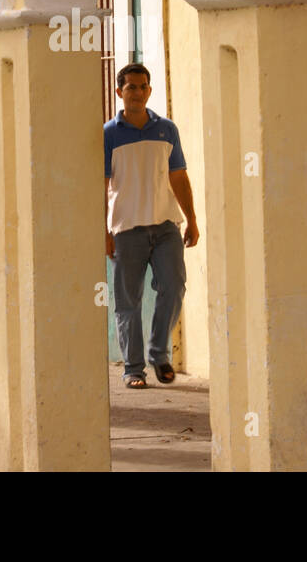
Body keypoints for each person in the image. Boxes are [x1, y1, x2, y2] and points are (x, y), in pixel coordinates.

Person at [104, 62, 199, 389]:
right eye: (131, 87)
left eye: (143, 87)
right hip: (127, 229)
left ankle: (159, 353)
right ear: (120, 92)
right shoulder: (109, 134)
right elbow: (100, 183)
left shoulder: (166, 129)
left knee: (174, 287)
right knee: (128, 301)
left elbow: (179, 177)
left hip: (166, 227)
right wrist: (103, 231)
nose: (138, 93)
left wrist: (192, 219)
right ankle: (133, 369)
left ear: (150, 90)